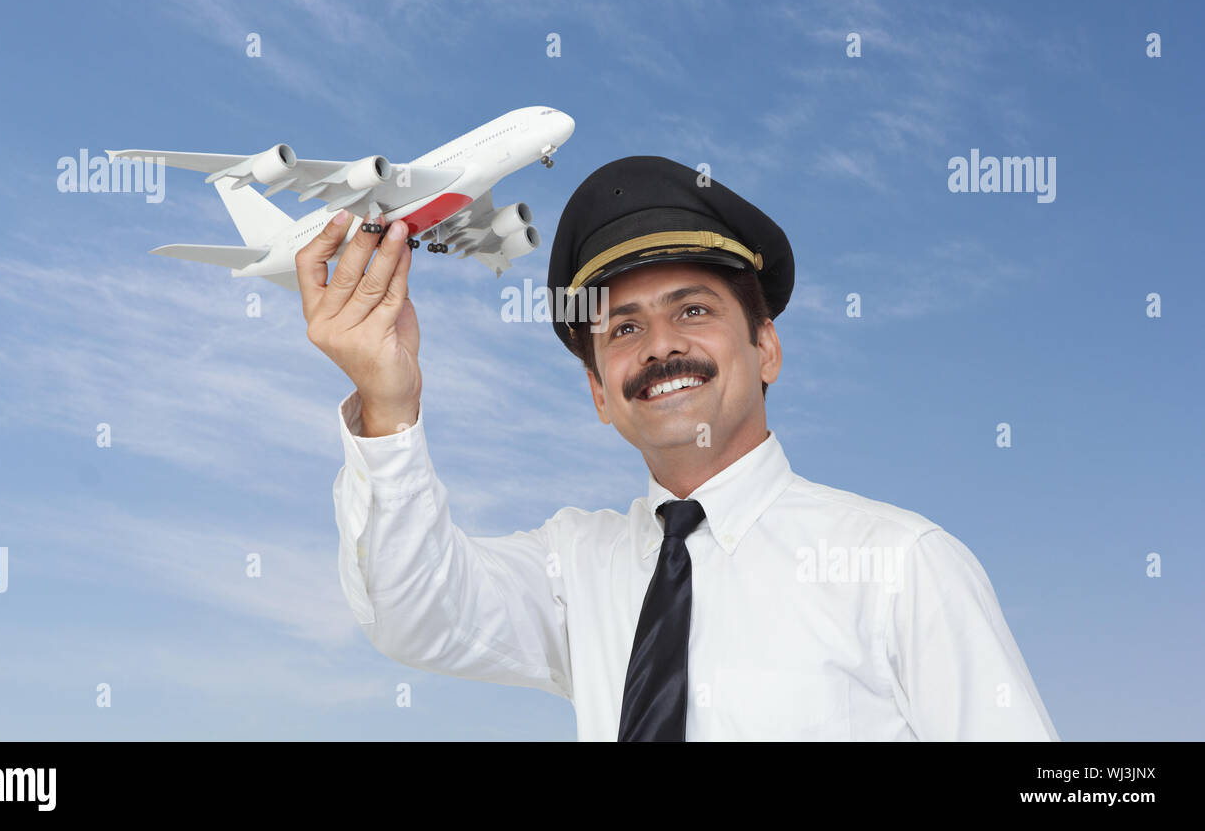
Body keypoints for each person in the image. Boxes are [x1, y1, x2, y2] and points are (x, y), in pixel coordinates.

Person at [296, 154, 1059, 741]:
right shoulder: (578, 568)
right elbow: (412, 612)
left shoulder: (902, 565)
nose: (660, 347)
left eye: (692, 310)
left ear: (767, 350)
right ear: (600, 393)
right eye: (623, 329)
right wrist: (388, 404)